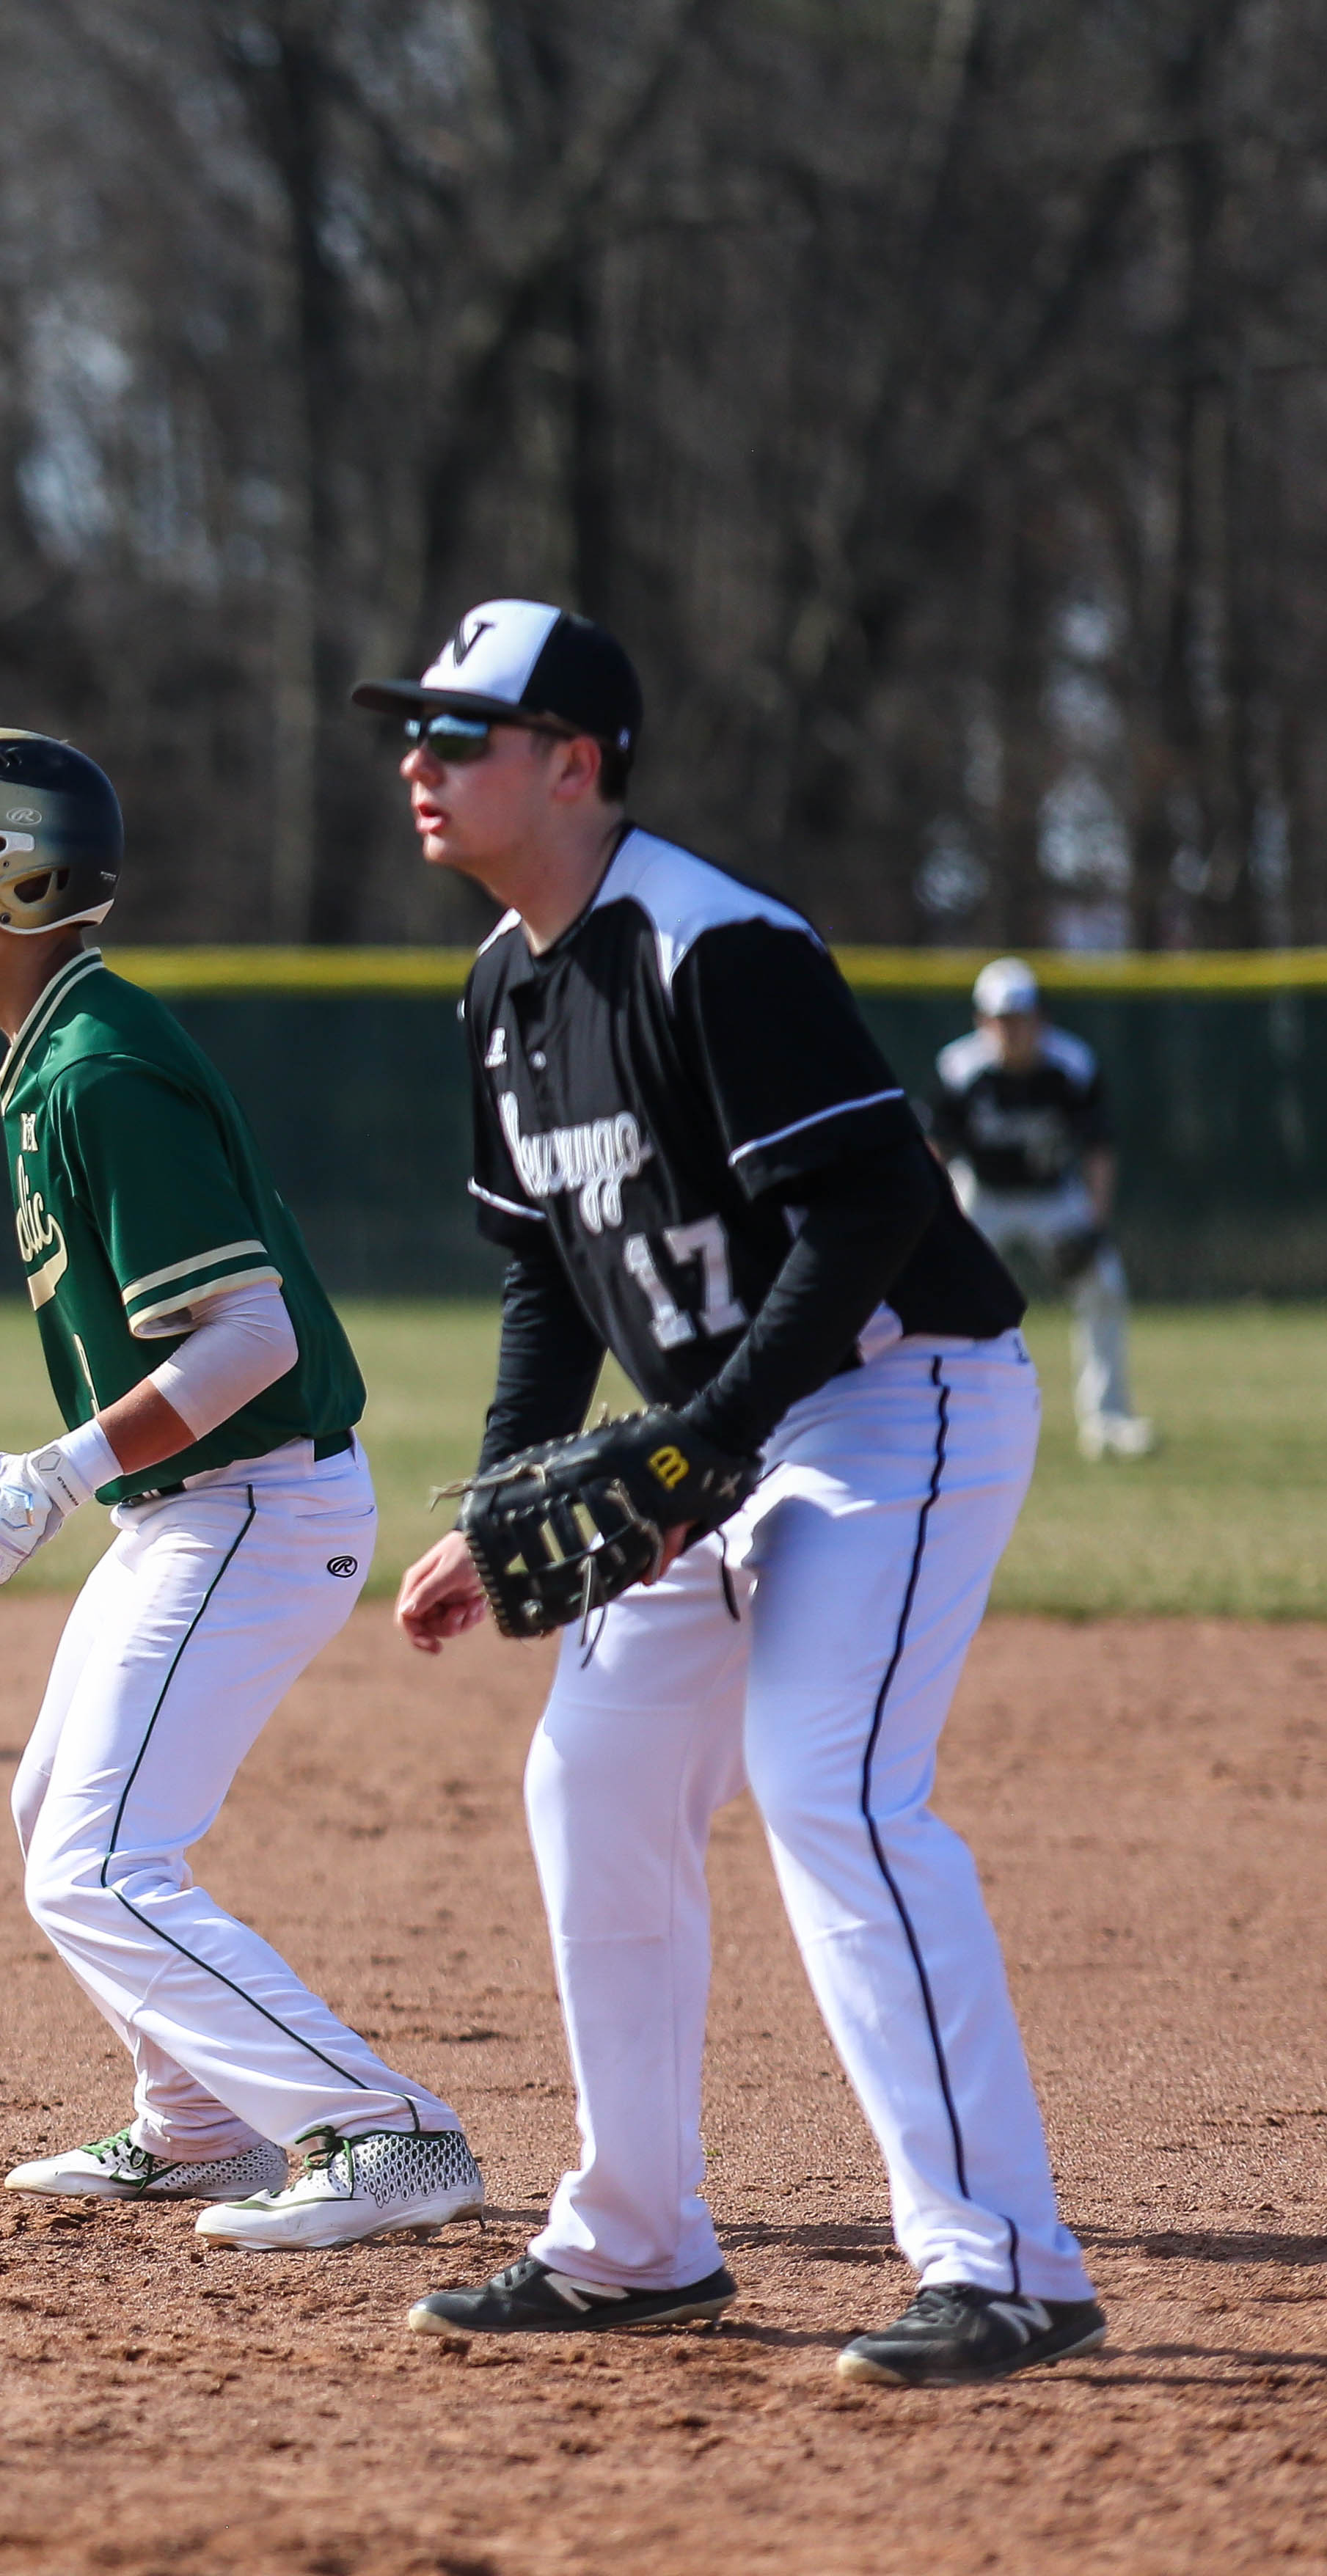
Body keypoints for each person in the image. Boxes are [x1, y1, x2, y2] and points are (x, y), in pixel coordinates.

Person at [368, 601, 1104, 2387]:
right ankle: (634, 2238)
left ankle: (1003, 2261)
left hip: (891, 1393)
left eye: (461, 735)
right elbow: (548, 1276)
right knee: (592, 1777)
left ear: (574, 760)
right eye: (417, 731)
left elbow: (866, 1212)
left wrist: (698, 1443)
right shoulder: (502, 987)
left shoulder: (716, 946)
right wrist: (504, 1489)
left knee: (830, 1784)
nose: (420, 762)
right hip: (708, 1434)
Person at [0, 726, 486, 2253]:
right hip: (200, 1506)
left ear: (31, 874)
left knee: (97, 1862)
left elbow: (253, 1330)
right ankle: (197, 2126)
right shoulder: (52, 1051)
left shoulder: (95, 1070)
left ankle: (387, 2134)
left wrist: (64, 1467)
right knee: (48, 1816)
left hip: (256, 1504)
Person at [929, 956, 1152, 1458]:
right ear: (982, 1022)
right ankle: (946, 1420)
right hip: (981, 1196)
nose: (1012, 1031)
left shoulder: (1070, 1065)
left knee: (1103, 1286)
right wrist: (938, 1226)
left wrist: (1094, 1227)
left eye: (1021, 1019)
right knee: (941, 1298)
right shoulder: (961, 1069)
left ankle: (1108, 1421)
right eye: (1001, 1021)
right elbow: (935, 1152)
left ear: (1040, 1019)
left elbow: (1098, 1150)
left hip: (1053, 1196)